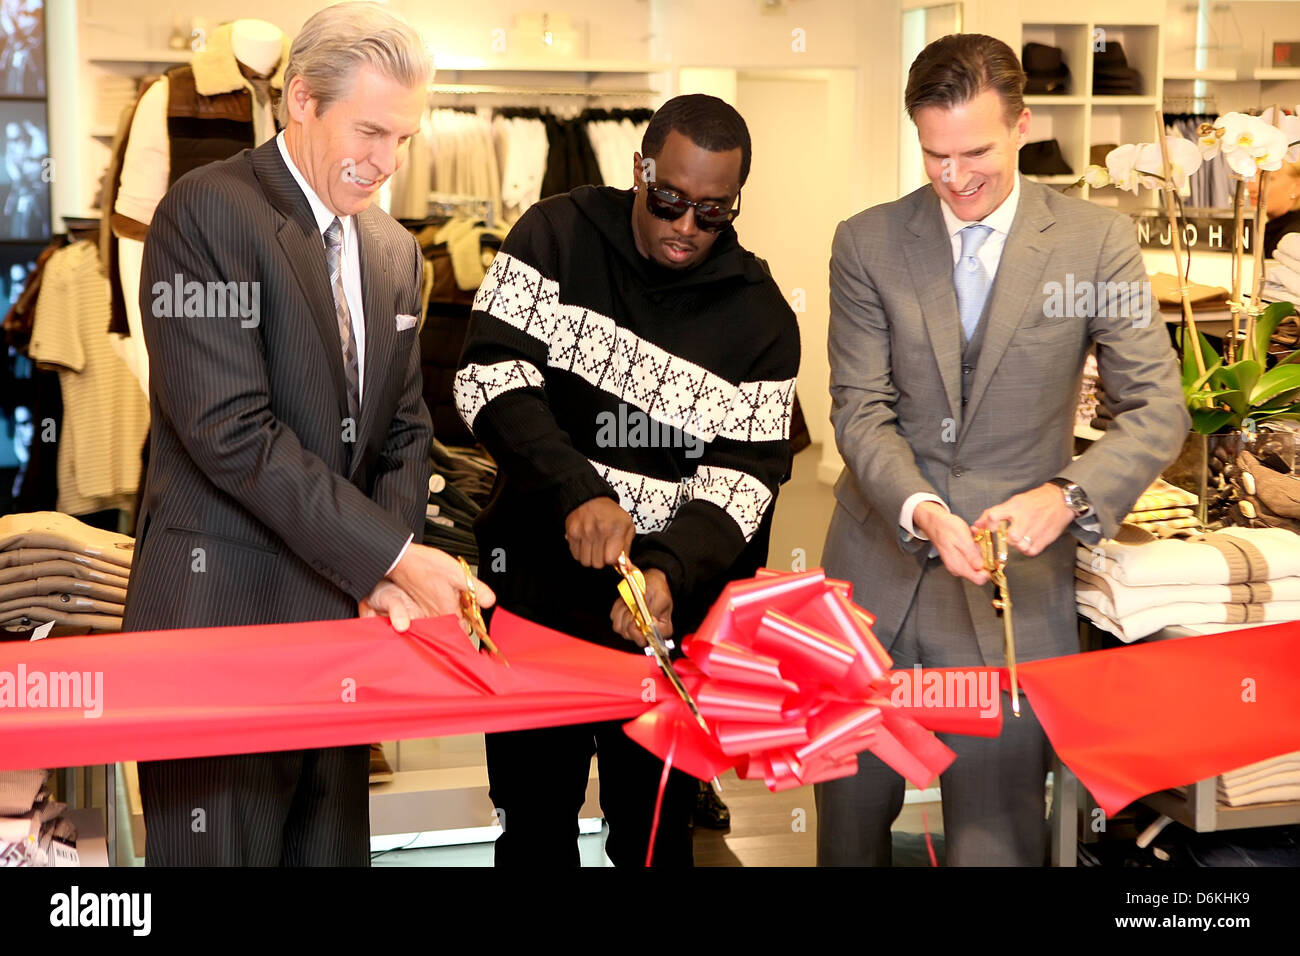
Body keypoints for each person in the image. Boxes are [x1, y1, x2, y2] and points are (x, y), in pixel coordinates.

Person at [123, 2, 492, 867]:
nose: (384, 161)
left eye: (402, 138)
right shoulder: (206, 212)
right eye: (369, 131)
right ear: (301, 101)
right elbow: (230, 430)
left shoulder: (398, 251)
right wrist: (392, 558)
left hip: (346, 638)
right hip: (222, 628)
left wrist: (380, 574)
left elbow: (404, 431)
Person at [815, 33, 1188, 866]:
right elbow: (861, 409)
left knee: (998, 845)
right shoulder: (867, 243)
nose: (955, 177)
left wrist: (1070, 495)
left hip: (1013, 592)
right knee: (845, 838)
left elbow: (1157, 407)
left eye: (976, 151)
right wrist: (922, 508)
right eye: (935, 155)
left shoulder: (1096, 243)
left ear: (1022, 125)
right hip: (875, 569)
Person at [455, 93, 799, 866]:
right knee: (534, 826)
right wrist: (576, 490)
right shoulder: (554, 234)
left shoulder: (761, 314)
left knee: (654, 836)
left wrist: (668, 569)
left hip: (662, 623)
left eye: (712, 212)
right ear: (640, 169)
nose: (686, 228)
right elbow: (487, 379)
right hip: (535, 595)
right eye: (670, 199)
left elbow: (745, 479)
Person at [1248, 157, 1300, 260]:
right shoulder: (1270, 230)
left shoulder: (1293, 238)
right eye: (1252, 177)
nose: (1252, 188)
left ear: (1297, 187)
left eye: (1267, 178)